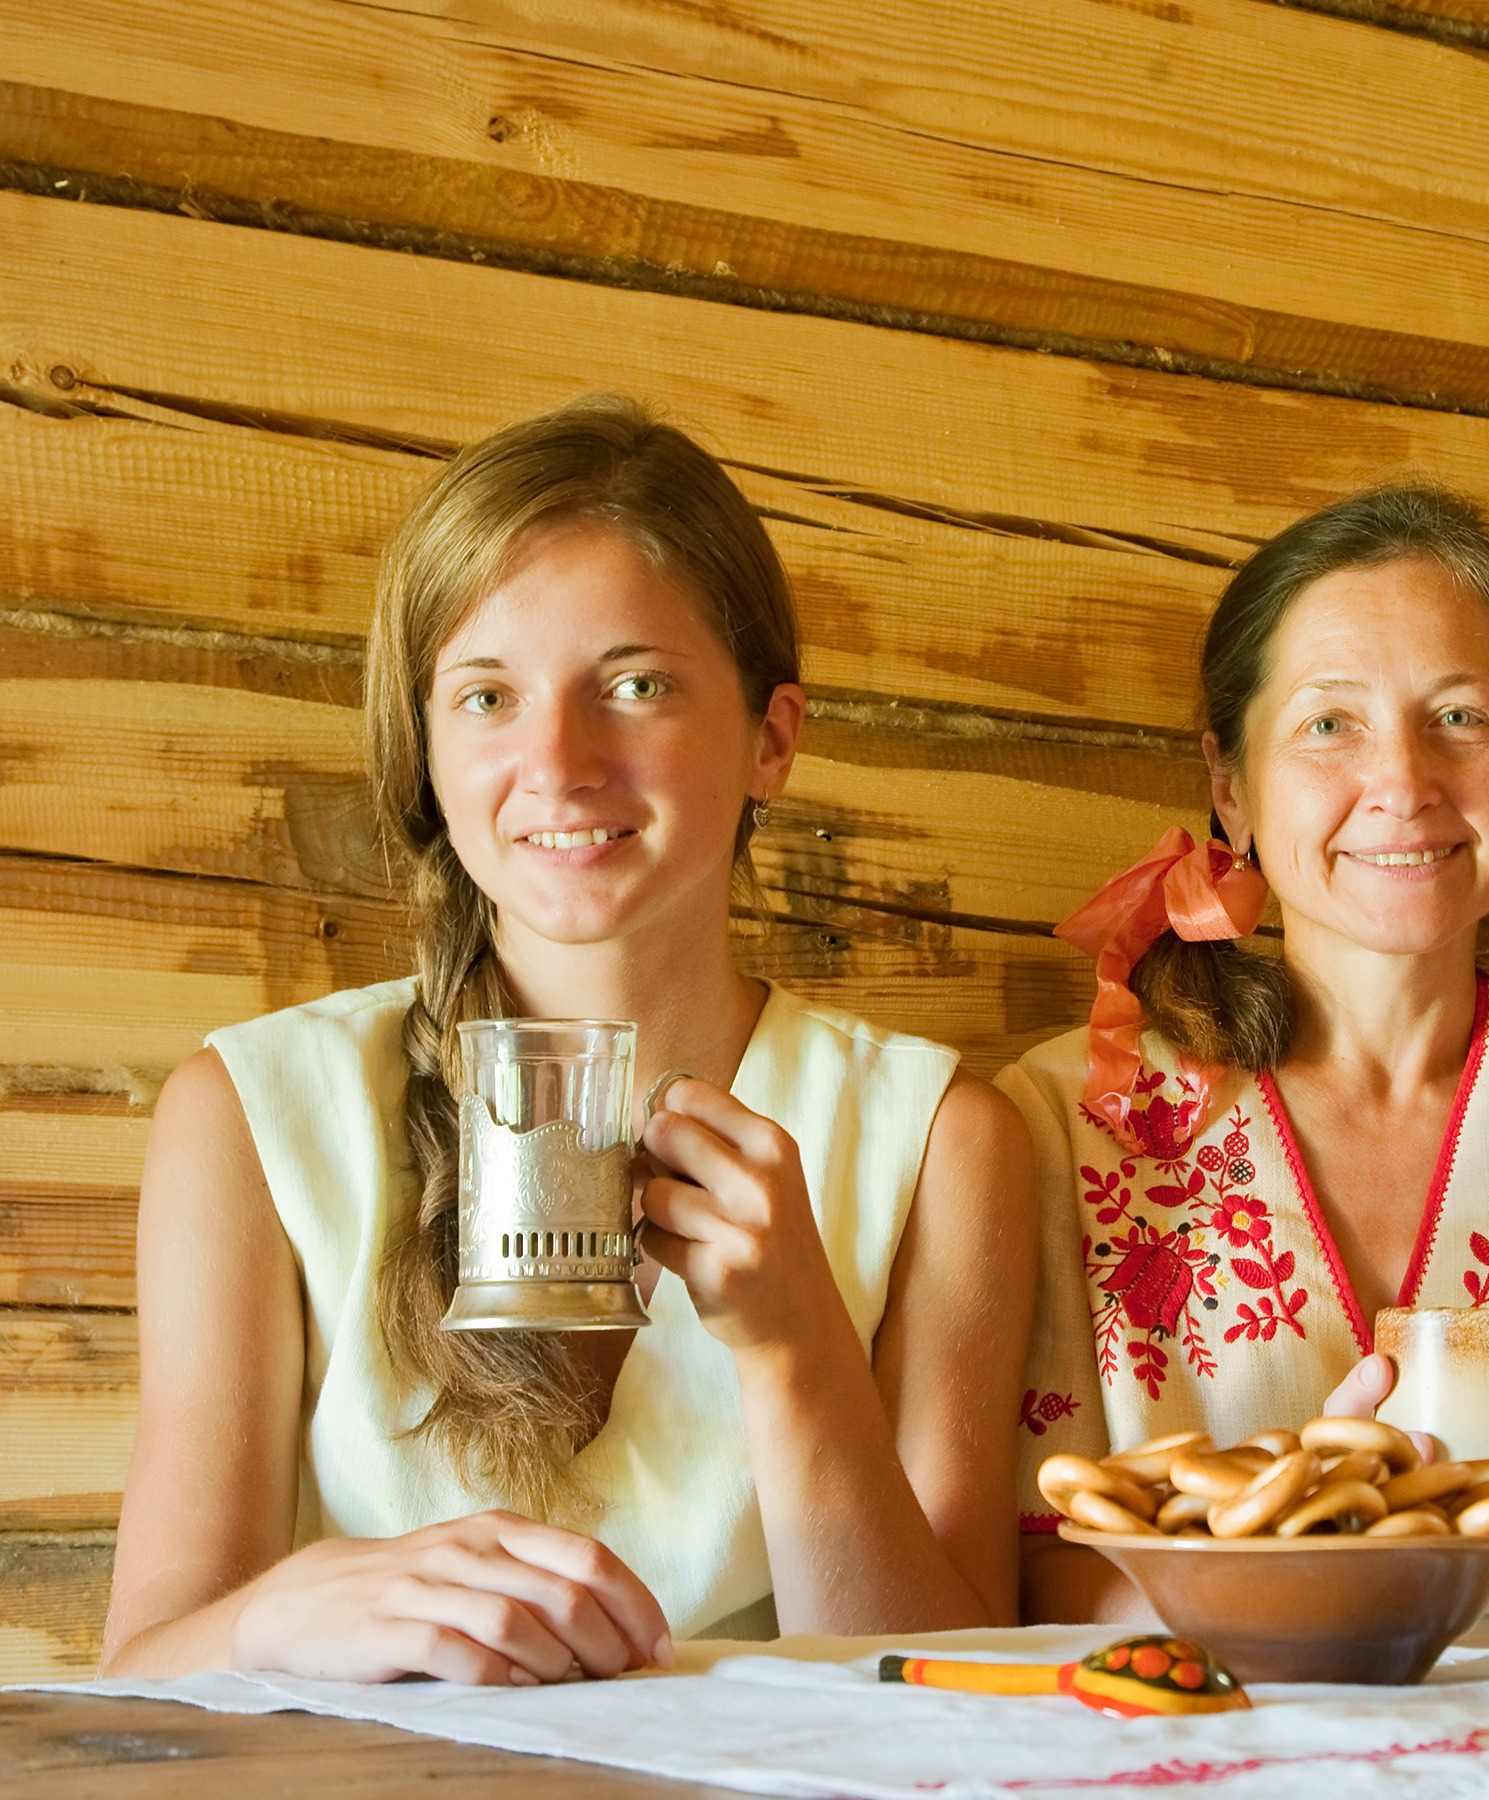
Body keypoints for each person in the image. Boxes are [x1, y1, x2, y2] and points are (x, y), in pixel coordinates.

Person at [100, 396, 1035, 1682]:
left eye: (635, 686)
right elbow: (141, 1668)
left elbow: (959, 1698)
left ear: (771, 739)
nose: (556, 760)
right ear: (425, 749)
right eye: (486, 695)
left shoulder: (938, 1141)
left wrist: (799, 1354)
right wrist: (291, 1608)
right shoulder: (253, 1117)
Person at [1003, 486, 1489, 1620]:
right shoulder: (1069, 1115)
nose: (1405, 783)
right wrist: (1295, 1565)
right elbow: (1023, 1581)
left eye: (1459, 717)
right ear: (1230, 786)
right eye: (1329, 724)